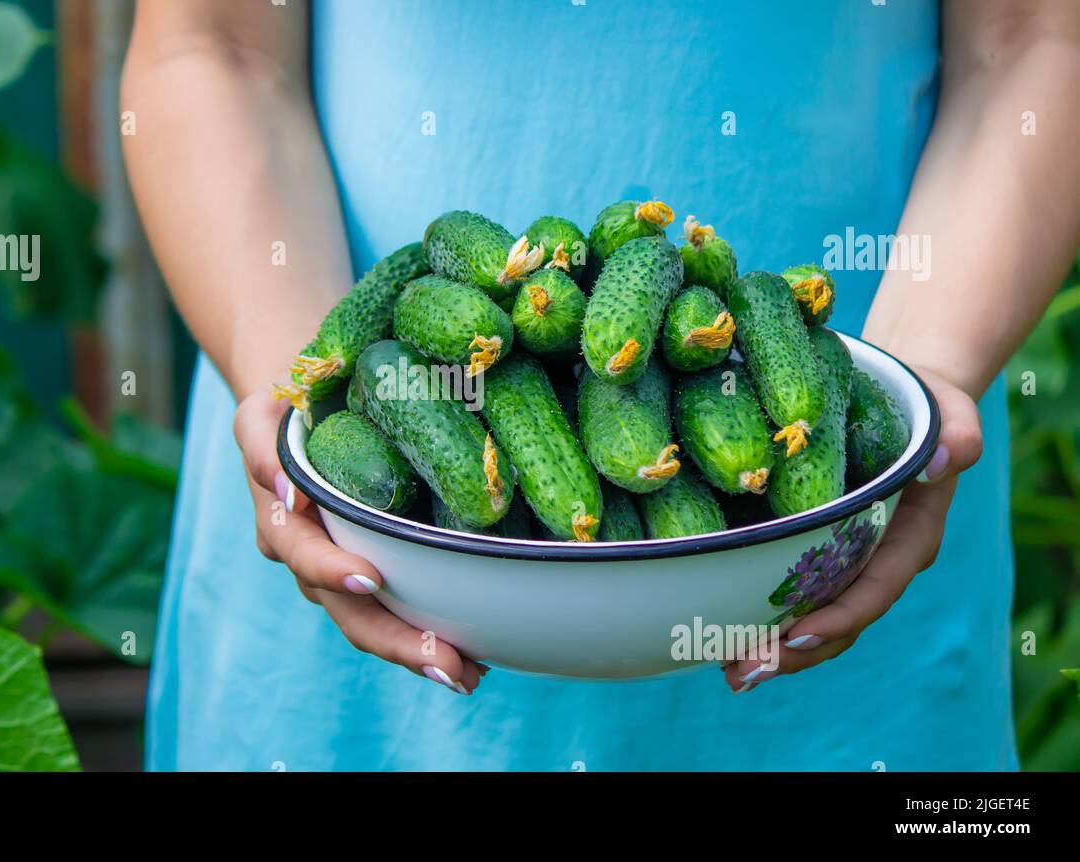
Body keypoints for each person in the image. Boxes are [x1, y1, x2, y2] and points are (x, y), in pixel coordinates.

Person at [122, 0, 1080, 770]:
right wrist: (299, 384)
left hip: (844, 502)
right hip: (374, 512)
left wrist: (927, 376)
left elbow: (1030, 40)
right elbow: (216, 46)